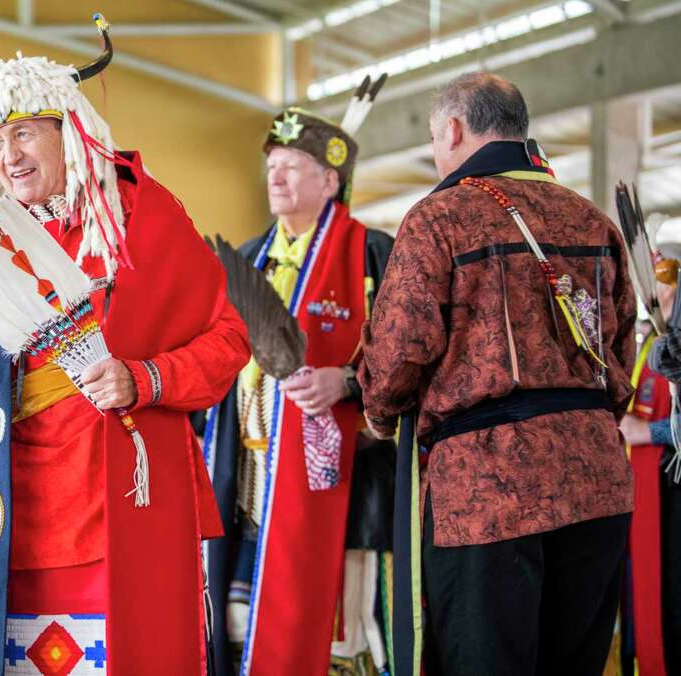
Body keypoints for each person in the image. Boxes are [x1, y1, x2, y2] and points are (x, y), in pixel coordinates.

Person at [0, 19, 250, 674]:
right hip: (2, 520)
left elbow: (227, 339)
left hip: (118, 510)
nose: (9, 156)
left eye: (24, 133)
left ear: (70, 130)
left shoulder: (137, 219)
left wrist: (145, 377)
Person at [359, 72, 635, 674]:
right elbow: (621, 347)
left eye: (435, 137)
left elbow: (399, 350)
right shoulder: (592, 220)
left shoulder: (440, 218)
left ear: (453, 130)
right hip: (597, 476)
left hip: (488, 486)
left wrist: (379, 412)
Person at [204, 97, 394, 675]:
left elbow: (411, 357)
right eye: (271, 166)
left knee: (341, 634)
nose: (276, 177)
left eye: (291, 166)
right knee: (238, 624)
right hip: (248, 480)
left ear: (330, 181)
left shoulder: (372, 254)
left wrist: (350, 381)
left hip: (341, 483)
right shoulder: (246, 260)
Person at [616, 277, 681, 673]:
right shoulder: (654, 339)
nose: (658, 287)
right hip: (646, 491)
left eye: (668, 278)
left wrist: (650, 432)